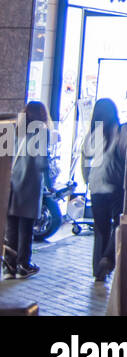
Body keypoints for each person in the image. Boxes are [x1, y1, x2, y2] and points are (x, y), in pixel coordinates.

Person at [4, 101, 56, 279]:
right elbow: (41, 161)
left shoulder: (14, 129)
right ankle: (23, 265)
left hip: (11, 184)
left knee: (11, 226)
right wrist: (50, 183)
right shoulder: (41, 131)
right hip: (29, 184)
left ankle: (8, 266)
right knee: (26, 227)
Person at [81, 99, 127, 282]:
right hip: (115, 186)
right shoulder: (120, 131)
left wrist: (88, 182)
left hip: (96, 187)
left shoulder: (92, 135)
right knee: (119, 224)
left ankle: (97, 270)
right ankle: (108, 259)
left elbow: (84, 163)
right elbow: (126, 155)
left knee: (100, 230)